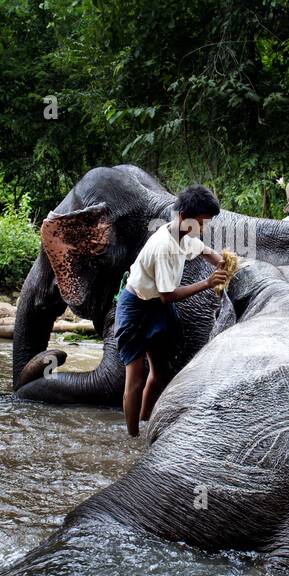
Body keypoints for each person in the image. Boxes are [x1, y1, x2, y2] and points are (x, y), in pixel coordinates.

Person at [115, 185, 231, 437]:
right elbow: (168, 297)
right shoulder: (164, 246)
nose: (203, 228)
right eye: (201, 222)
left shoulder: (183, 234)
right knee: (134, 379)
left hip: (156, 306)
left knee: (159, 371)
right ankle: (132, 436)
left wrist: (222, 261)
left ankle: (146, 421)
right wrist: (208, 283)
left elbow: (203, 251)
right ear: (183, 217)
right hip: (136, 307)